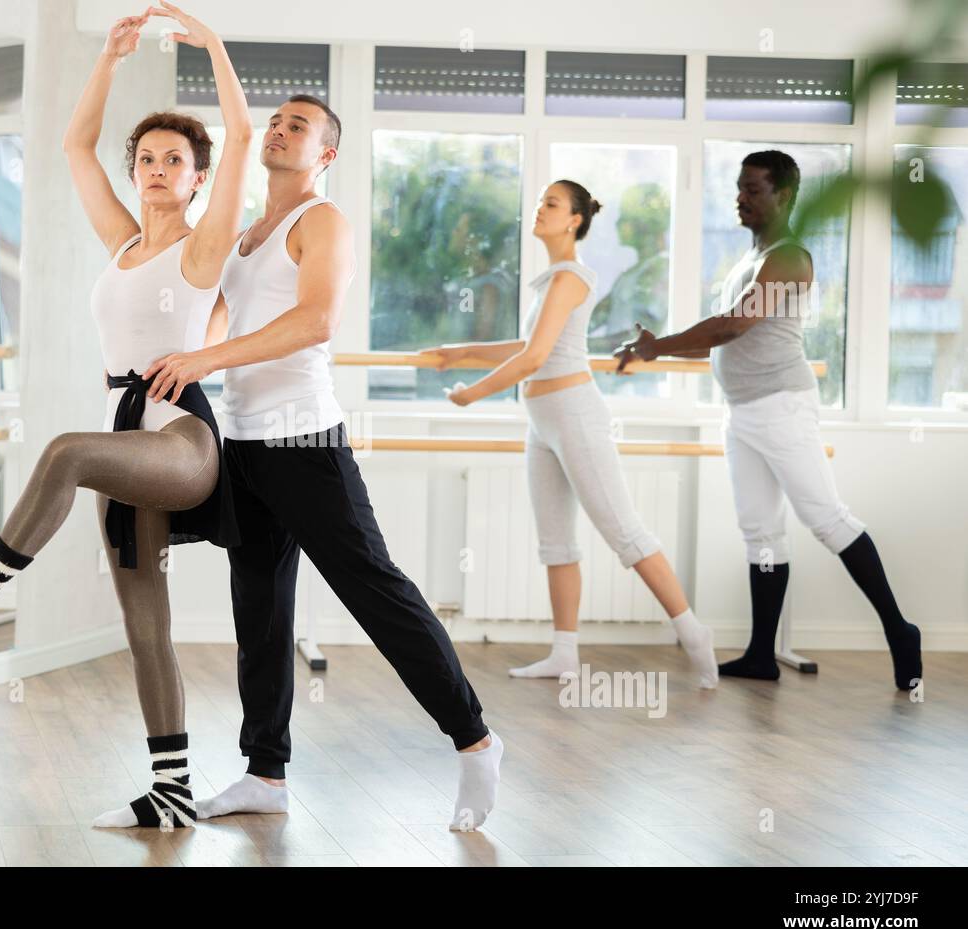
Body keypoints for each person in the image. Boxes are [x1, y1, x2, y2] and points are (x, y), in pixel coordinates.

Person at [0, 2, 252, 831]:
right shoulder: (125, 243)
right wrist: (110, 59)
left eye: (176, 159)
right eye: (149, 158)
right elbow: (70, 147)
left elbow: (238, 134)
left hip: (181, 436)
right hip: (127, 436)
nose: (160, 167)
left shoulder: (200, 249)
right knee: (143, 619)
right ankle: (171, 791)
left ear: (198, 177)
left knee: (62, 449)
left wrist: (214, 45)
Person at [142, 94, 503, 832]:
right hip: (242, 446)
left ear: (325, 156)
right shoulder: (245, 238)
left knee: (375, 592)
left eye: (297, 126)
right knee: (262, 615)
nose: (278, 129)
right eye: (275, 120)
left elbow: (316, 321)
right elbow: (219, 320)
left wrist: (205, 357)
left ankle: (475, 738)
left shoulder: (323, 221)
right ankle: (265, 773)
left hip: (305, 443)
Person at [615, 149, 921, 690]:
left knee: (827, 520)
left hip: (783, 408)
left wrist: (657, 347)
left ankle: (900, 630)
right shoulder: (748, 260)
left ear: (784, 195)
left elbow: (733, 326)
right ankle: (760, 653)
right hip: (744, 413)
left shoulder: (789, 258)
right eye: (739, 188)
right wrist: (658, 349)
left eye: (753, 189)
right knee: (759, 533)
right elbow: (721, 337)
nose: (741, 198)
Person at [424, 180, 719, 689]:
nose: (539, 210)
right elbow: (529, 344)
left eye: (552, 204)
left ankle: (694, 633)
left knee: (624, 533)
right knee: (555, 543)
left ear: (575, 220)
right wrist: (461, 351)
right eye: (540, 202)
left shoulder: (571, 278)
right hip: (544, 422)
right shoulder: (551, 282)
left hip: (576, 415)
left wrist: (472, 393)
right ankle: (564, 654)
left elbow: (535, 359)